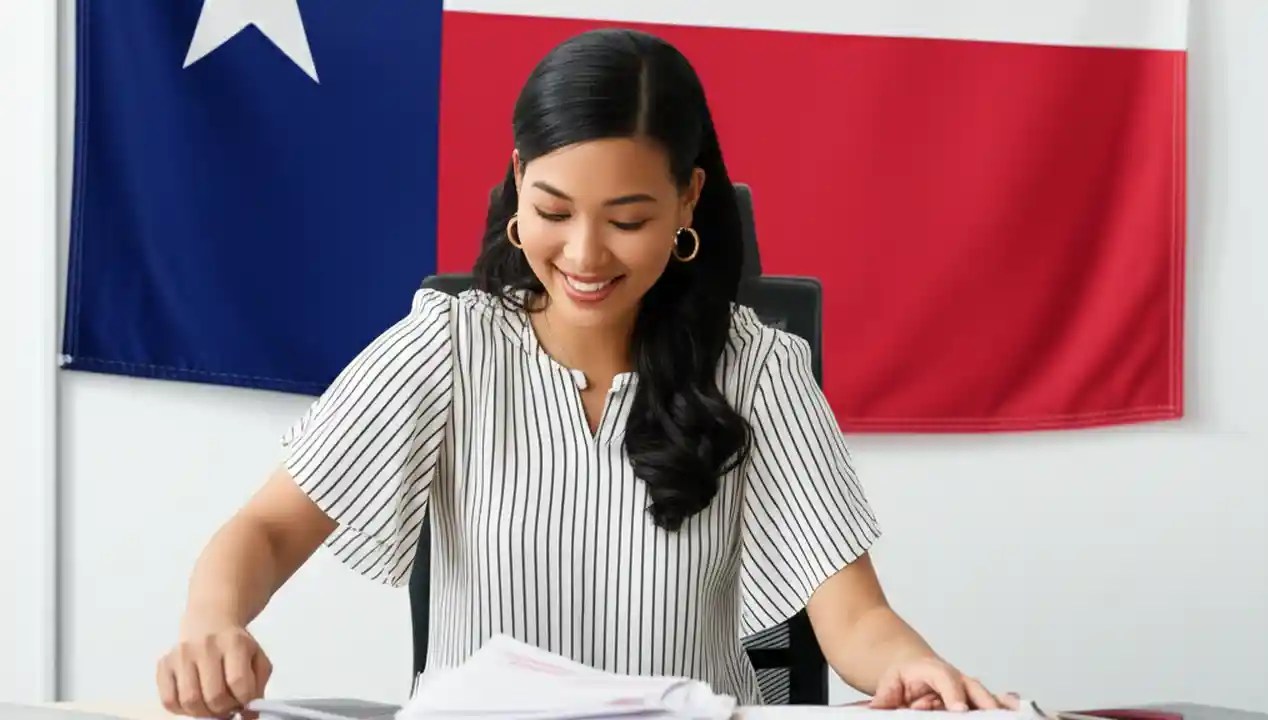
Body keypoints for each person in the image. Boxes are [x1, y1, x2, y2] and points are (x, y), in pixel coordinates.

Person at [156, 28, 1017, 717]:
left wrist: (912, 668)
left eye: (628, 219)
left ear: (686, 203)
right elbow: (268, 527)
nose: (584, 253)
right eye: (553, 210)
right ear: (518, 183)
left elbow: (853, 614)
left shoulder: (759, 369)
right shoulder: (448, 348)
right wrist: (210, 625)